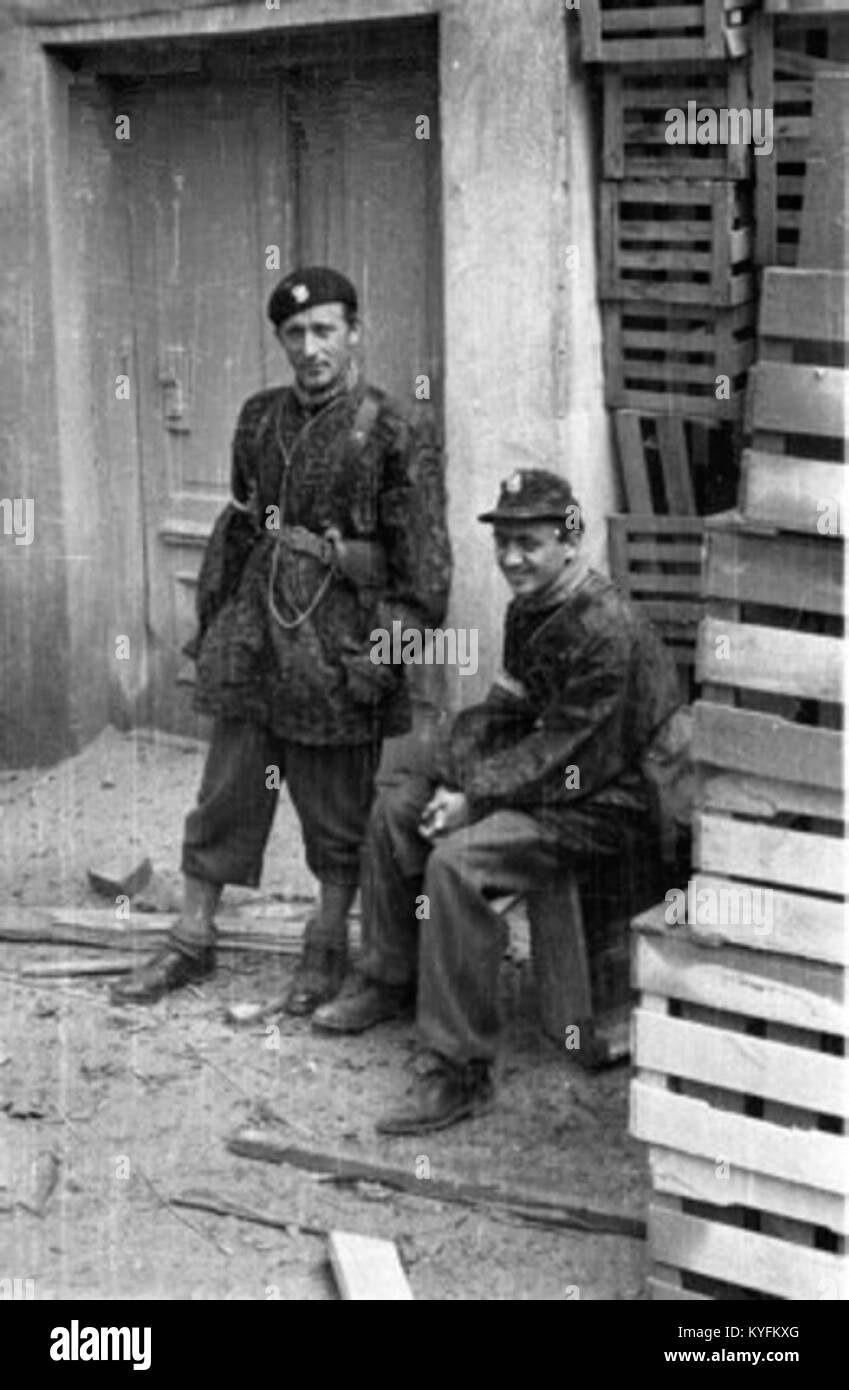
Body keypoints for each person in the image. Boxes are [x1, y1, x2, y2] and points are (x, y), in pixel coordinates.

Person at [112, 266, 451, 1014]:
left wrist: (385, 657)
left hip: (340, 648)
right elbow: (238, 528)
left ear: (354, 332)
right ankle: (192, 935)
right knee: (227, 790)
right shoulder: (259, 418)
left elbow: (426, 574)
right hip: (255, 635)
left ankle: (326, 941)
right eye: (294, 333)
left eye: (324, 329)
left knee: (335, 810)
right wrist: (214, 625)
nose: (309, 346)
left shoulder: (395, 430)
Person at [312, 468, 680, 1134]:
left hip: (609, 799)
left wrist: (473, 802)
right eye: (503, 541)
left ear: (570, 540)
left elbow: (566, 757)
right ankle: (391, 975)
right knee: (399, 800)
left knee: (458, 864)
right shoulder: (530, 608)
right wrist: (451, 772)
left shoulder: (605, 630)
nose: (511, 558)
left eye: (529, 543)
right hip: (555, 771)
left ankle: (460, 1071)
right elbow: (507, 714)